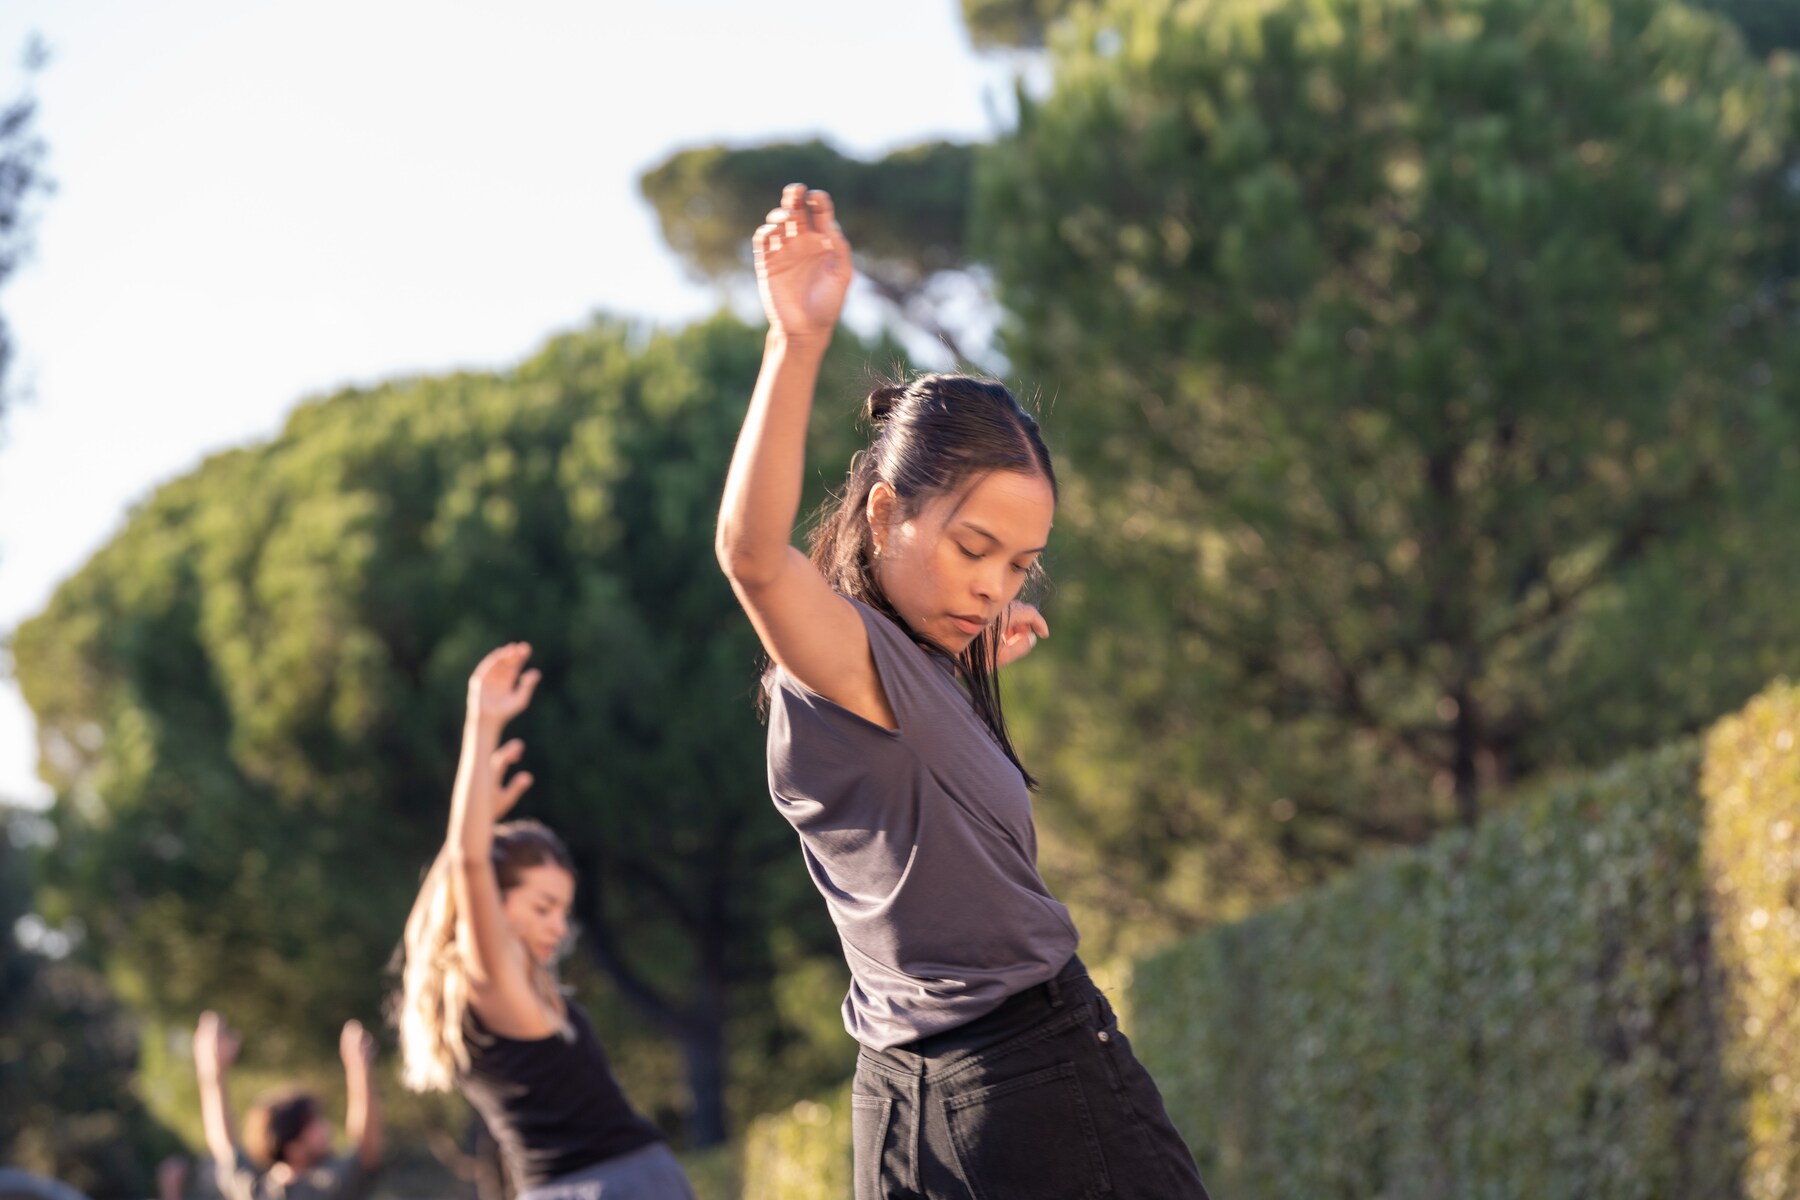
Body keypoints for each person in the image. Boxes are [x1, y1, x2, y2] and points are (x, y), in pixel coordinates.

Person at [715, 184, 1213, 1200]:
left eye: (1020, 564)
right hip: (1031, 1078)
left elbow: (915, 787)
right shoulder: (851, 659)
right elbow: (753, 557)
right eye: (974, 547)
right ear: (888, 510)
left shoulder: (903, 674)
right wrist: (795, 341)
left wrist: (974, 664)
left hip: (904, 1109)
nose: (993, 583)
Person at [394, 643, 693, 1200]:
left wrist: (478, 818)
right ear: (491, 905)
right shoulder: (496, 981)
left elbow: (428, 923)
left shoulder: (466, 995)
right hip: (614, 1187)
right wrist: (483, 720)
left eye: (562, 909)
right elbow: (469, 863)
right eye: (541, 907)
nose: (558, 927)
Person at [192, 1011, 383, 1200]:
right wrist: (359, 1069)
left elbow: (223, 1144)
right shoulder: (329, 1188)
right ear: (292, 1147)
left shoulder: (257, 1191)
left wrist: (213, 1072)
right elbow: (366, 1148)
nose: (325, 1127)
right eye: (312, 1123)